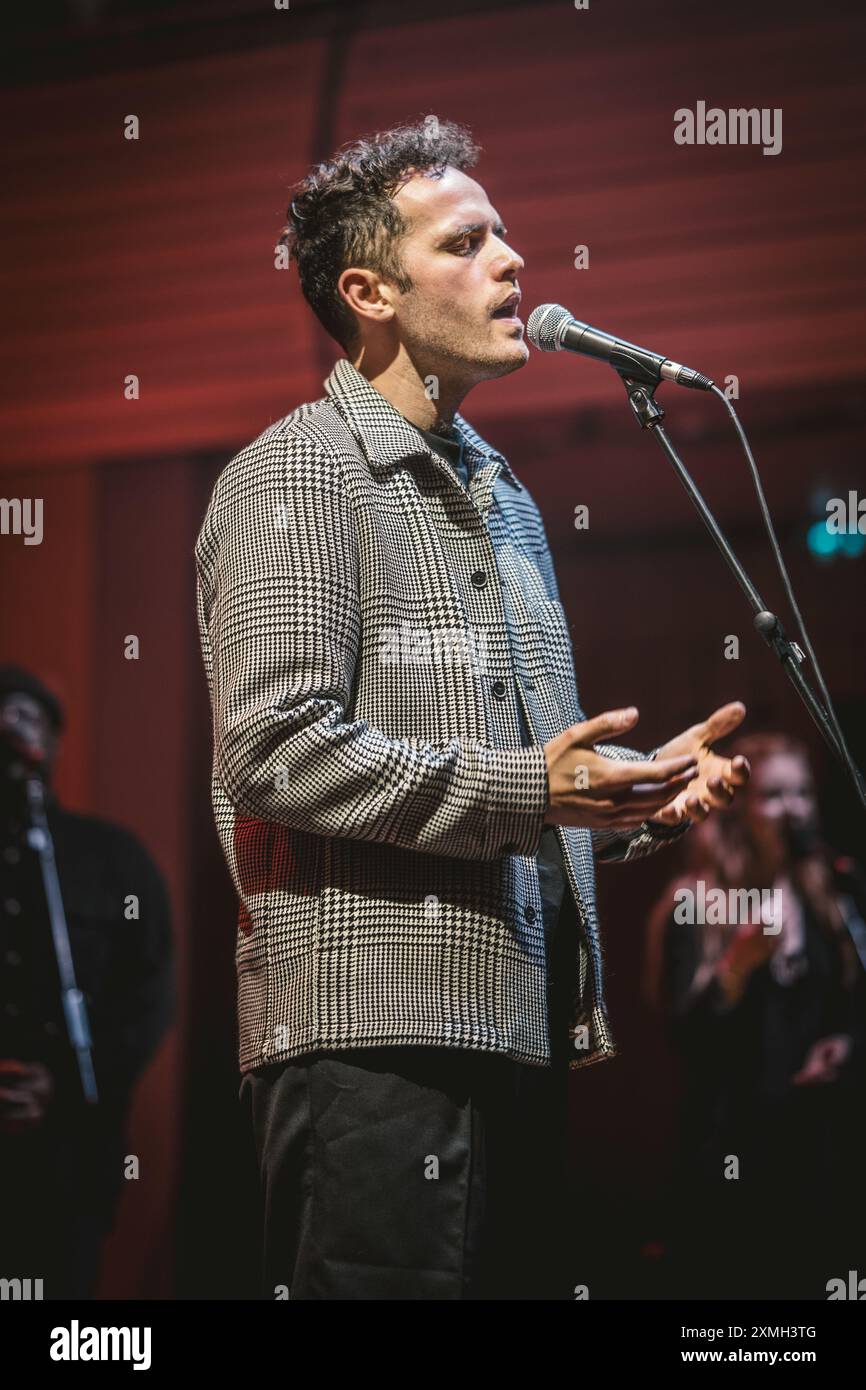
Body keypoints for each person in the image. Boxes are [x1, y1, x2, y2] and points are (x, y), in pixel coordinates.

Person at [194, 116, 750, 1300]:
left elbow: (521, 783)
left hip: (514, 1027)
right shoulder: (297, 472)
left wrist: (637, 795)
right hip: (370, 1039)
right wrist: (528, 788)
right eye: (468, 240)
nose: (514, 261)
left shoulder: (503, 494)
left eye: (506, 235)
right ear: (369, 290)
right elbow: (274, 748)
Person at [645, 732, 866, 1300]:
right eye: (774, 794)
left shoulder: (829, 890)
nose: (792, 809)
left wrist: (845, 1043)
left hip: (817, 1146)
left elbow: (846, 1001)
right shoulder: (695, 900)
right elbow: (680, 1034)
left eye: (802, 793)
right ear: (742, 807)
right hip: (731, 1148)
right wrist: (736, 969)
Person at [0, 665, 175, 1298]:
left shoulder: (112, 859)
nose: (11, 728)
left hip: (70, 1160)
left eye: (28, 715)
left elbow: (150, 993)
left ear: (53, 739)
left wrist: (63, 1077)